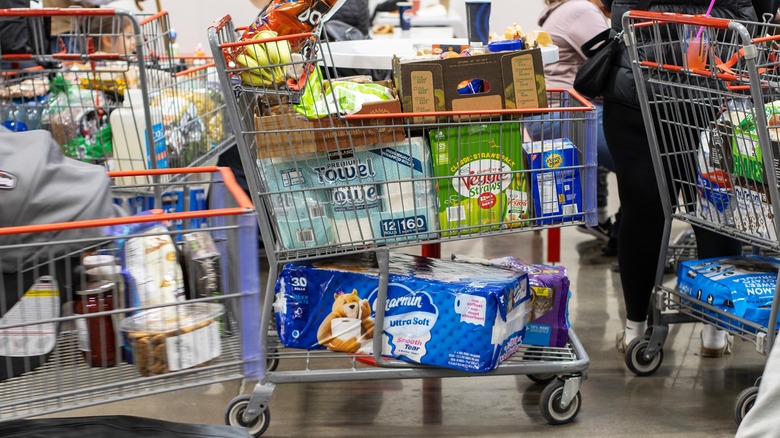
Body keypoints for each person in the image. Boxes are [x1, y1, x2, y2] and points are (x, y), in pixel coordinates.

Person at [600, 0, 766, 356]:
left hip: (639, 90)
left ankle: (635, 328)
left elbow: (616, 12)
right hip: (709, 94)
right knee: (716, 212)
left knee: (644, 212)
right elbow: (755, 15)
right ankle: (716, 331)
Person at [533, 0, 620, 253]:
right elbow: (613, 64)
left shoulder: (562, 10)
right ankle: (627, 239)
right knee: (643, 162)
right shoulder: (581, 9)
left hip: (551, 112)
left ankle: (611, 226)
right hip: (566, 113)